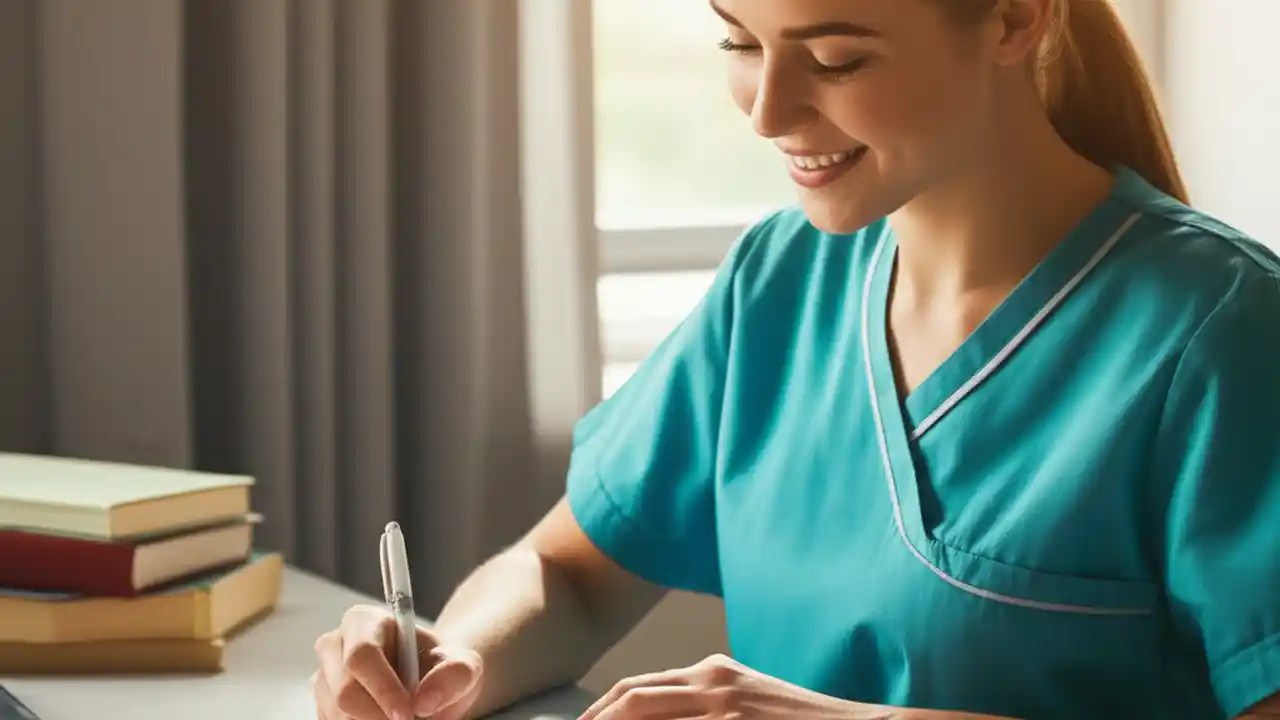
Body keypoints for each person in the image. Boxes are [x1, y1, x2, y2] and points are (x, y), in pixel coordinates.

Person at [311, 0, 1280, 718]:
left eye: (834, 57)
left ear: (1014, 18)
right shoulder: (778, 282)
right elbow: (569, 574)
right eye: (738, 41)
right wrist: (448, 661)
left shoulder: (1221, 334)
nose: (766, 111)